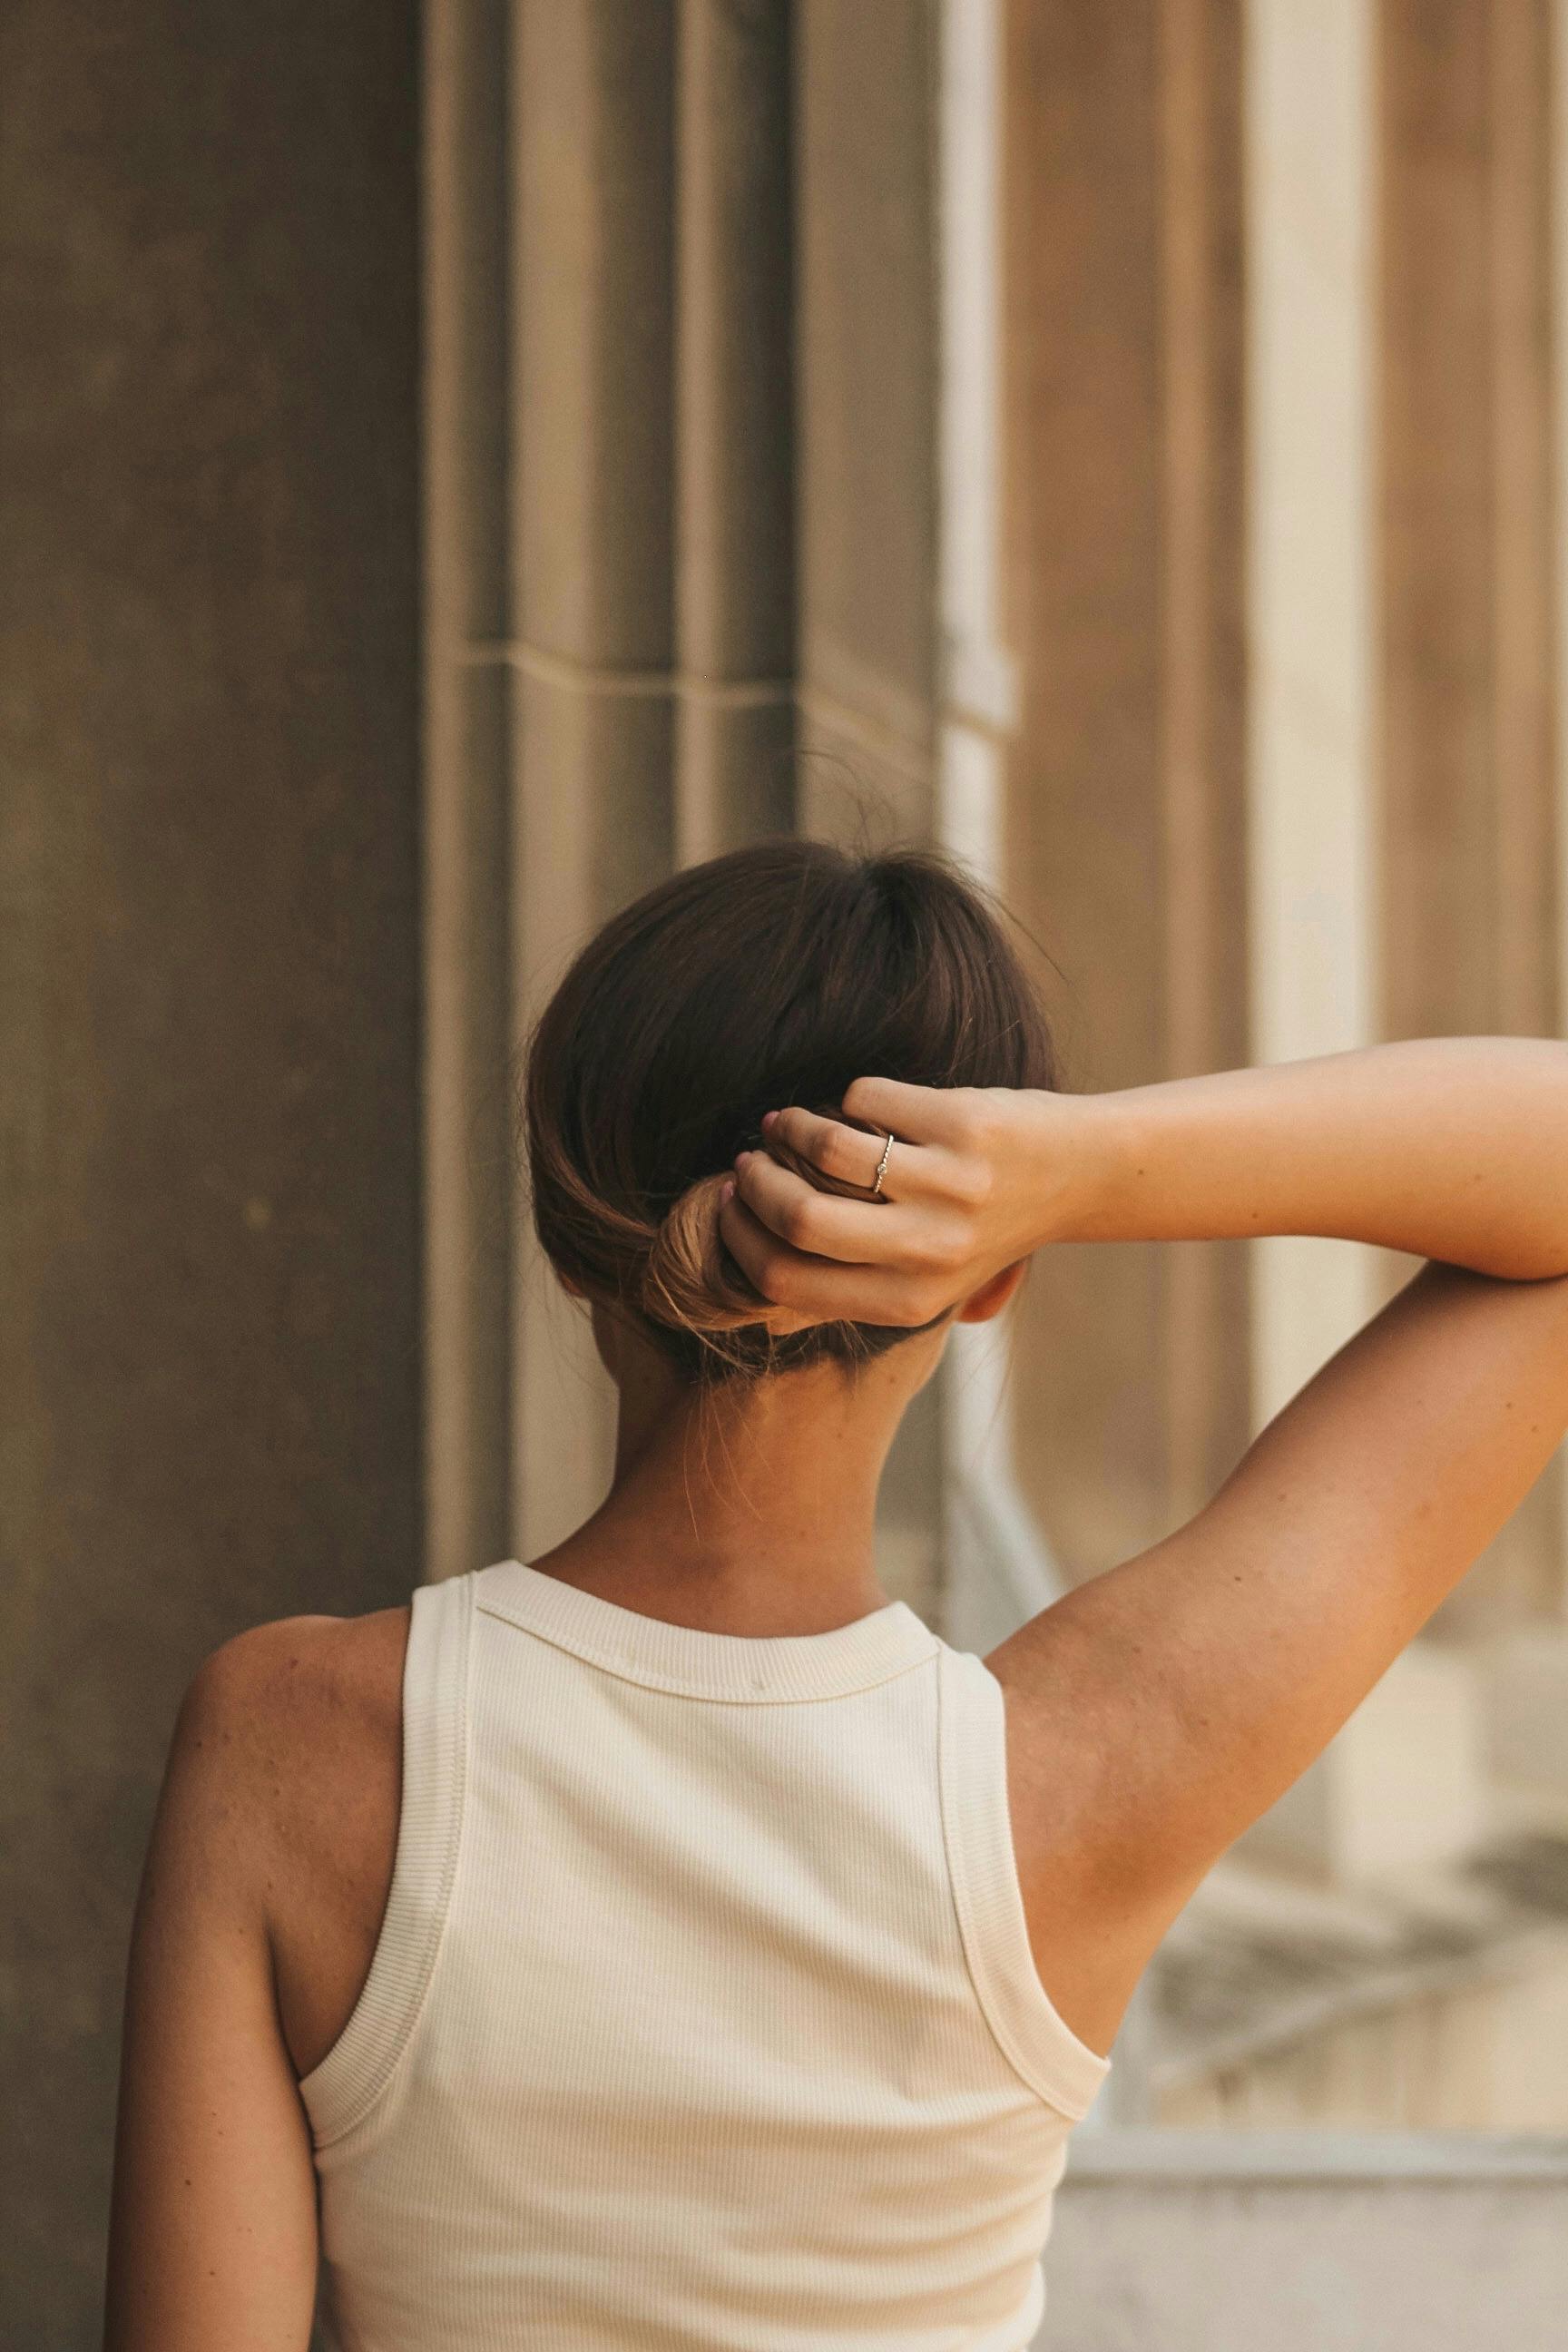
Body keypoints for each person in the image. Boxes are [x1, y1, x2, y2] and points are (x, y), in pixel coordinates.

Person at [103, 838, 1568, 2351]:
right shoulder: (1076, 1781)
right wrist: (1080, 1171)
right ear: (991, 1274)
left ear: (566, 1228)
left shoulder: (288, 1744)